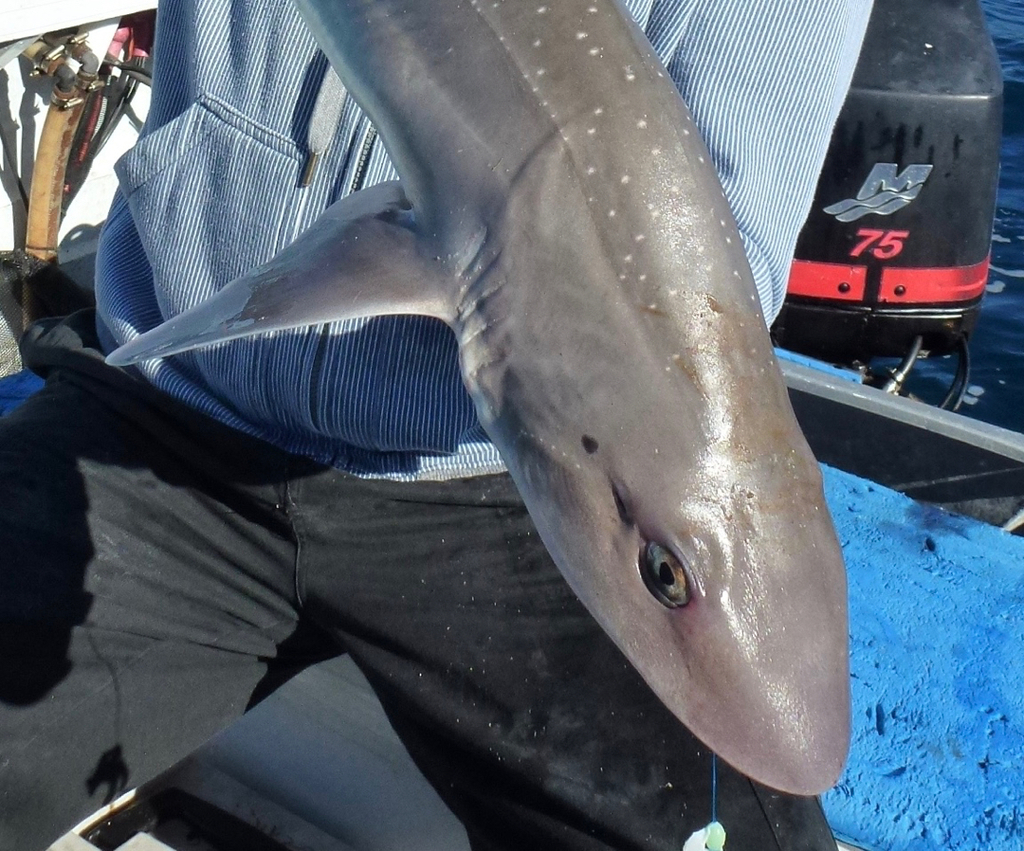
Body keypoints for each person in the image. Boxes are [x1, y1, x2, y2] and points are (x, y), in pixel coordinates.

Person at [0, 0, 873, 847]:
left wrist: (502, 272)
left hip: (474, 493)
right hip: (174, 412)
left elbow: (713, 277)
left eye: (668, 573)